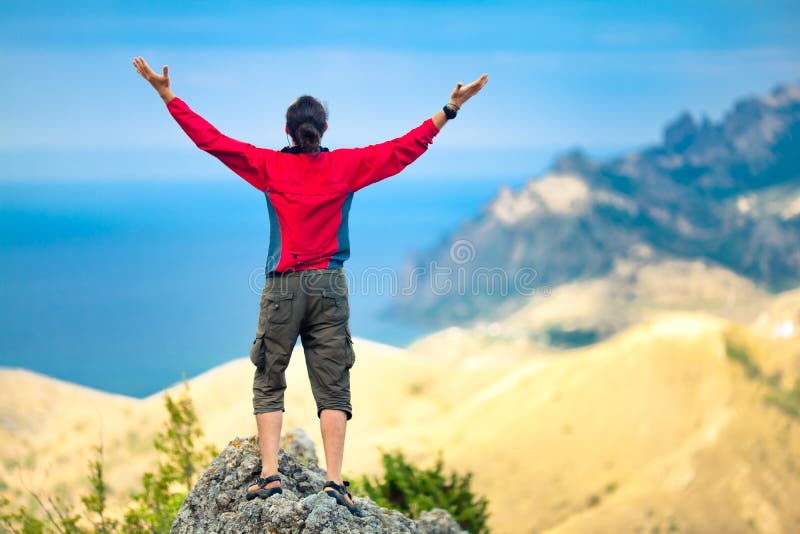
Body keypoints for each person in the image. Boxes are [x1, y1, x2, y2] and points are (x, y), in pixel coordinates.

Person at [132, 56, 488, 514]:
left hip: (282, 287)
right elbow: (403, 149)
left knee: (269, 379)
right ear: (325, 128)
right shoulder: (347, 166)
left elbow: (212, 142)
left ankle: (269, 475)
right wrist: (450, 109)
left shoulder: (267, 167)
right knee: (333, 385)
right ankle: (335, 483)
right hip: (330, 288)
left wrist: (167, 95)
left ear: (287, 131)